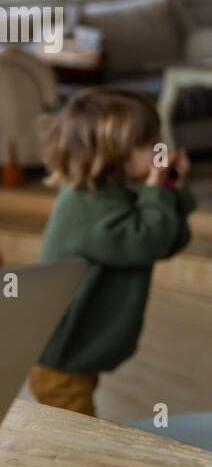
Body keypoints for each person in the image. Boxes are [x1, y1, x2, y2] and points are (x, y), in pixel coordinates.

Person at [33, 89, 196, 417]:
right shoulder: (88, 209)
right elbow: (149, 238)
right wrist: (157, 188)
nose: (160, 148)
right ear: (112, 154)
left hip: (79, 352)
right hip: (60, 360)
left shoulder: (107, 195)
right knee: (77, 440)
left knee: (78, 423)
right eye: (149, 143)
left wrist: (169, 188)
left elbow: (166, 238)